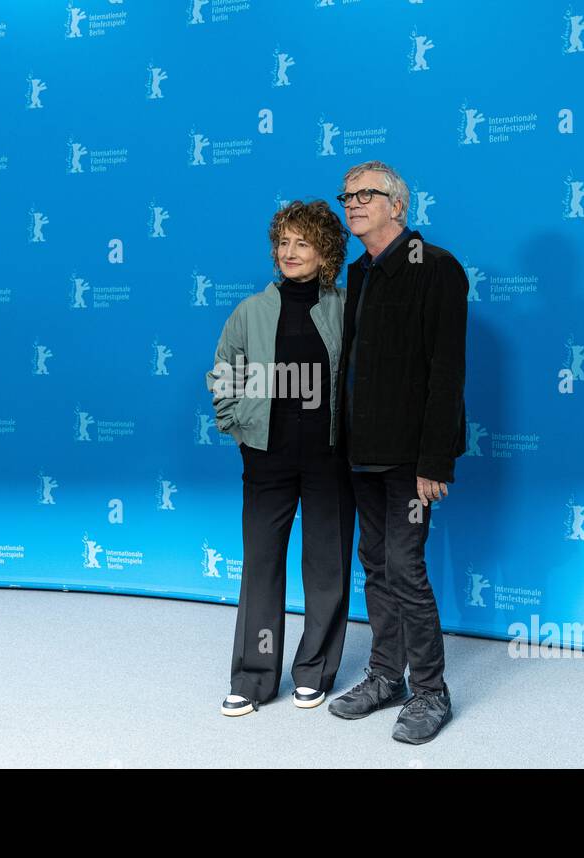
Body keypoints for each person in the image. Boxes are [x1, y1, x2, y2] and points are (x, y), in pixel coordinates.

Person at [327, 160, 468, 744]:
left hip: (412, 459)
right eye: (348, 195)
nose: (354, 203)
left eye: (367, 194)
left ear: (398, 206)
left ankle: (431, 691)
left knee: (406, 569)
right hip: (362, 451)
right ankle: (386, 676)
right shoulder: (358, 274)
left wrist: (436, 461)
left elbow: (447, 370)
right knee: (376, 564)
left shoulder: (436, 267)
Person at [205, 200, 357, 716]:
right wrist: (240, 426)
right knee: (261, 567)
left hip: (329, 460)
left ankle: (314, 670)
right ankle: (253, 676)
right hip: (266, 460)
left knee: (327, 568)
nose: (289, 252)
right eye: (283, 242)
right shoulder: (250, 310)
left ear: (326, 253)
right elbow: (224, 372)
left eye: (303, 243)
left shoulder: (345, 305)